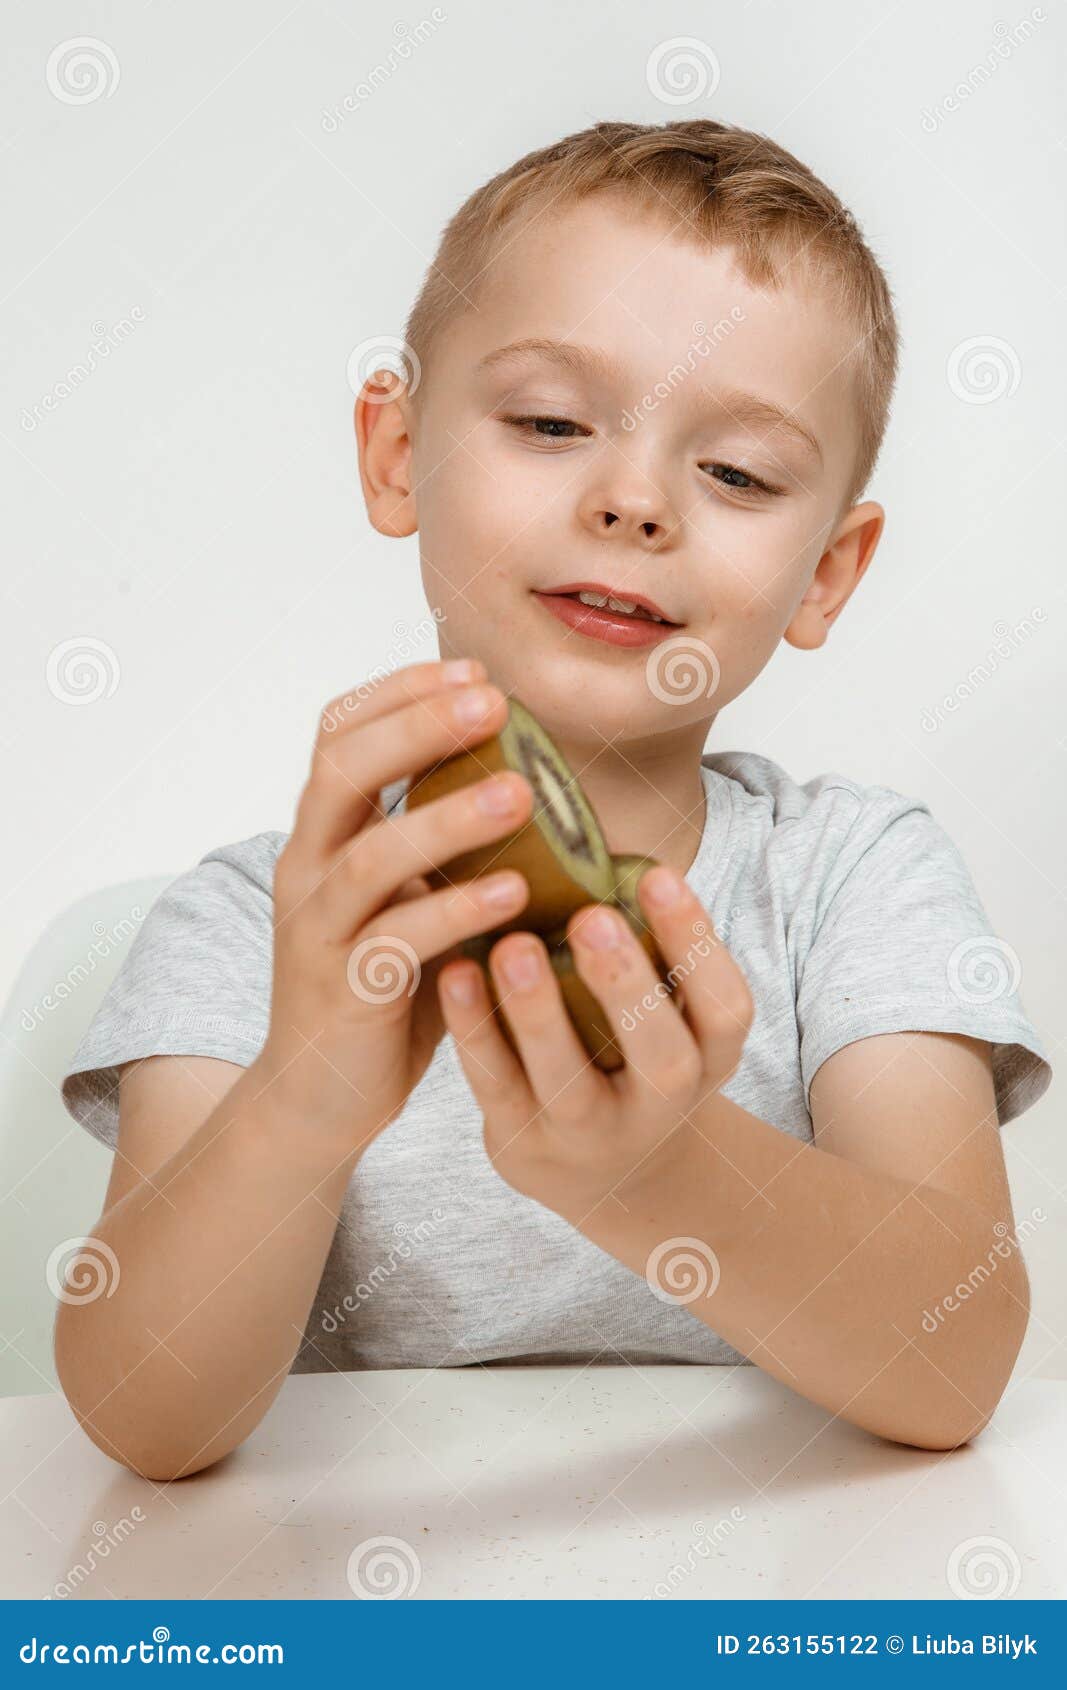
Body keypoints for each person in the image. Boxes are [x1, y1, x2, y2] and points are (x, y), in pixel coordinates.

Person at [58, 119, 1051, 1481]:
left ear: (829, 569)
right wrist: (301, 1099)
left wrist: (660, 1171)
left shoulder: (850, 879)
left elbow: (960, 1355)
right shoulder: (264, 924)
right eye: (548, 422)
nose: (635, 499)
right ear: (397, 452)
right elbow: (142, 1420)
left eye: (740, 474)